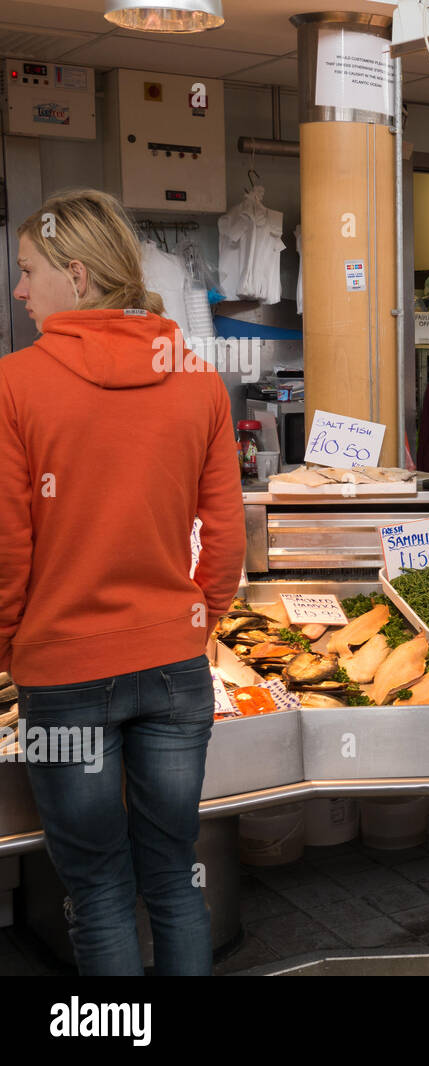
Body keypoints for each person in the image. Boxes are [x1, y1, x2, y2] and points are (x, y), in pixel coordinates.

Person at [0, 189, 245, 975]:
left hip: (63, 674)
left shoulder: (13, 385)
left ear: (76, 275)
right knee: (174, 877)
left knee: (99, 889)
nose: (19, 289)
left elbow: (8, 549)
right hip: (175, 672)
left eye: (28, 270)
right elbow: (226, 538)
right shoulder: (199, 380)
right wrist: (196, 622)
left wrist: (16, 649)